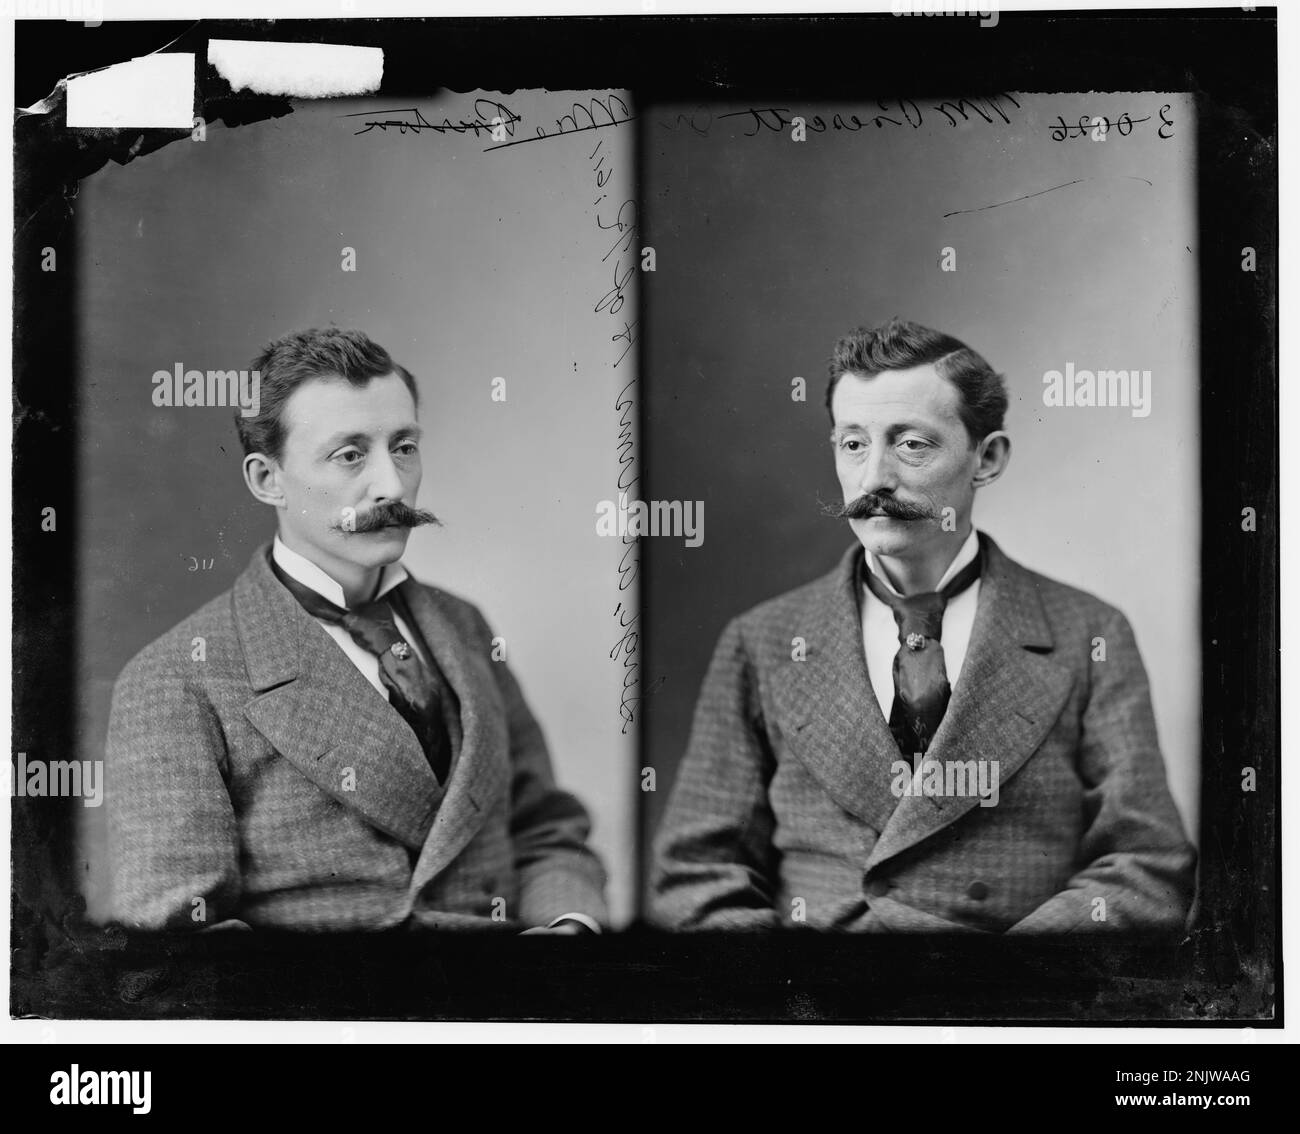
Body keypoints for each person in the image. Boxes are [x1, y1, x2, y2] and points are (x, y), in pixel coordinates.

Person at [652, 318, 1195, 933]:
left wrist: (1003, 990)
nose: (874, 478)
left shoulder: (1088, 634)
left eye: (911, 444)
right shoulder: (763, 641)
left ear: (986, 458)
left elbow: (1145, 866)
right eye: (853, 444)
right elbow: (698, 876)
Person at [106, 328, 607, 934]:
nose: (393, 486)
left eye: (404, 446)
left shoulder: (463, 627)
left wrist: (569, 929)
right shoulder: (176, 680)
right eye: (350, 455)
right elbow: (185, 953)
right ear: (268, 479)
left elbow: (544, 829)